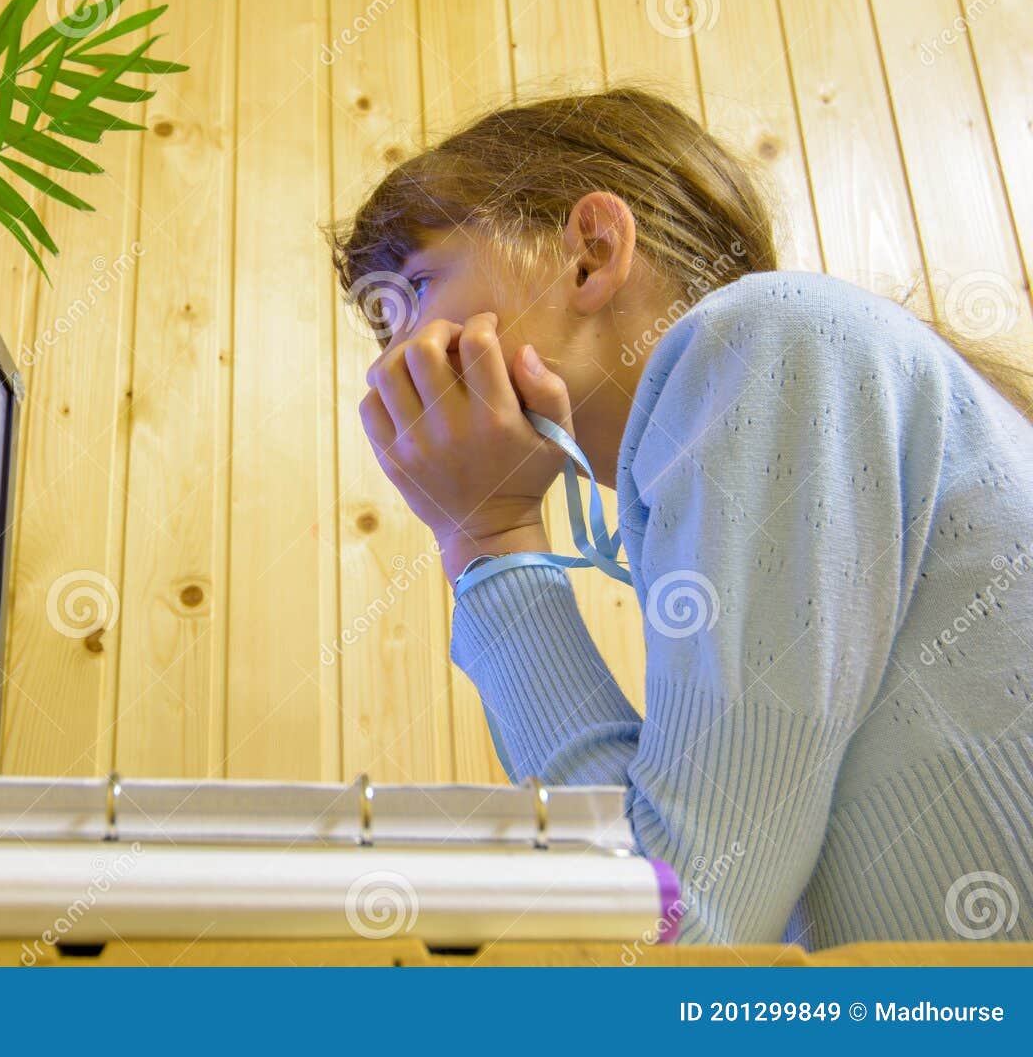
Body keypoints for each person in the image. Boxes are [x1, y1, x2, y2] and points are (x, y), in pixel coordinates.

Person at [330, 85, 1033, 947]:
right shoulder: (742, 408)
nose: (394, 367)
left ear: (591, 254)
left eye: (415, 289)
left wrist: (488, 539)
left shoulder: (764, 341)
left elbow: (679, 925)